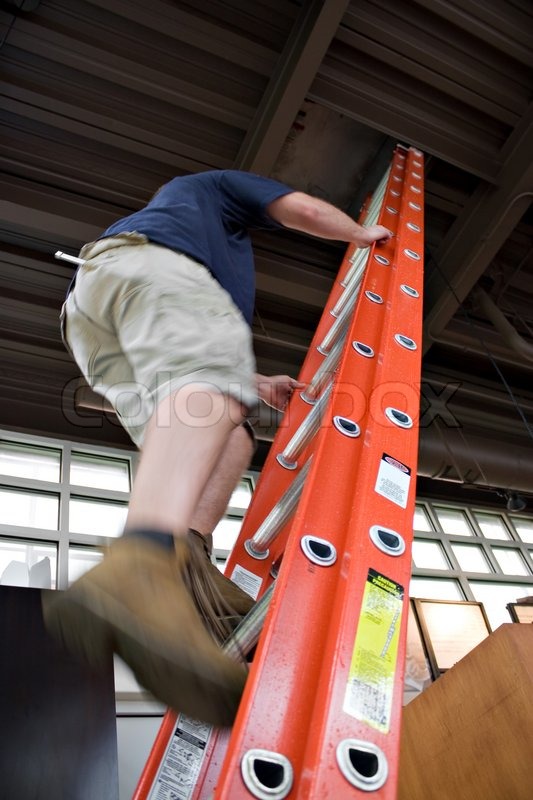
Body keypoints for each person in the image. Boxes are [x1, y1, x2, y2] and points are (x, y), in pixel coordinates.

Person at [43, 170, 392, 726]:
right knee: (215, 384)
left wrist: (249, 383)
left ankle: (186, 567)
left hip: (91, 316)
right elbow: (303, 209)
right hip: (149, 268)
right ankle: (142, 566)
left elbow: (185, 373)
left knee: (226, 431)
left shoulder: (181, 221)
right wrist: (363, 232)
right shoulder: (215, 189)